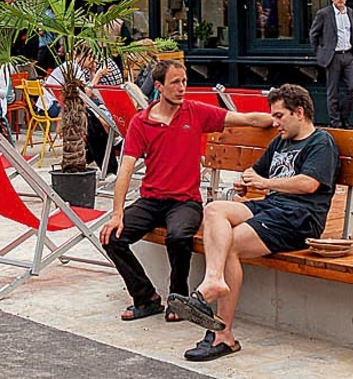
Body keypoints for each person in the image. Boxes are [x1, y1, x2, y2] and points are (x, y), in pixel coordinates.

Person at [169, 84, 339, 361]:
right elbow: (256, 170)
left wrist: (265, 183)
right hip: (271, 208)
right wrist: (247, 179)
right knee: (214, 210)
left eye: (279, 116)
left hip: (298, 218)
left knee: (230, 245)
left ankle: (223, 335)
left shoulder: (321, 142)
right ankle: (213, 281)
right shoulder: (281, 140)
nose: (274, 123)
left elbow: (309, 184)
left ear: (299, 112)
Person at [102, 61, 275, 324]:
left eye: (184, 82)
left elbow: (247, 118)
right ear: (158, 86)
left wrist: (280, 121)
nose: (182, 88)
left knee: (179, 236)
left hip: (185, 202)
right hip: (151, 200)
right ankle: (145, 298)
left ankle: (178, 297)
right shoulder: (141, 122)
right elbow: (125, 170)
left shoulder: (195, 112)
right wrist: (117, 214)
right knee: (112, 237)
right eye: (175, 82)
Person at [308, 0, 353, 128]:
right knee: (333, 91)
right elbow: (313, 34)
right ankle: (335, 122)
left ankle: (344, 117)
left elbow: (352, 32)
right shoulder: (324, 13)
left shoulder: (349, 12)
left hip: (348, 54)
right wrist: (320, 53)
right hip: (333, 56)